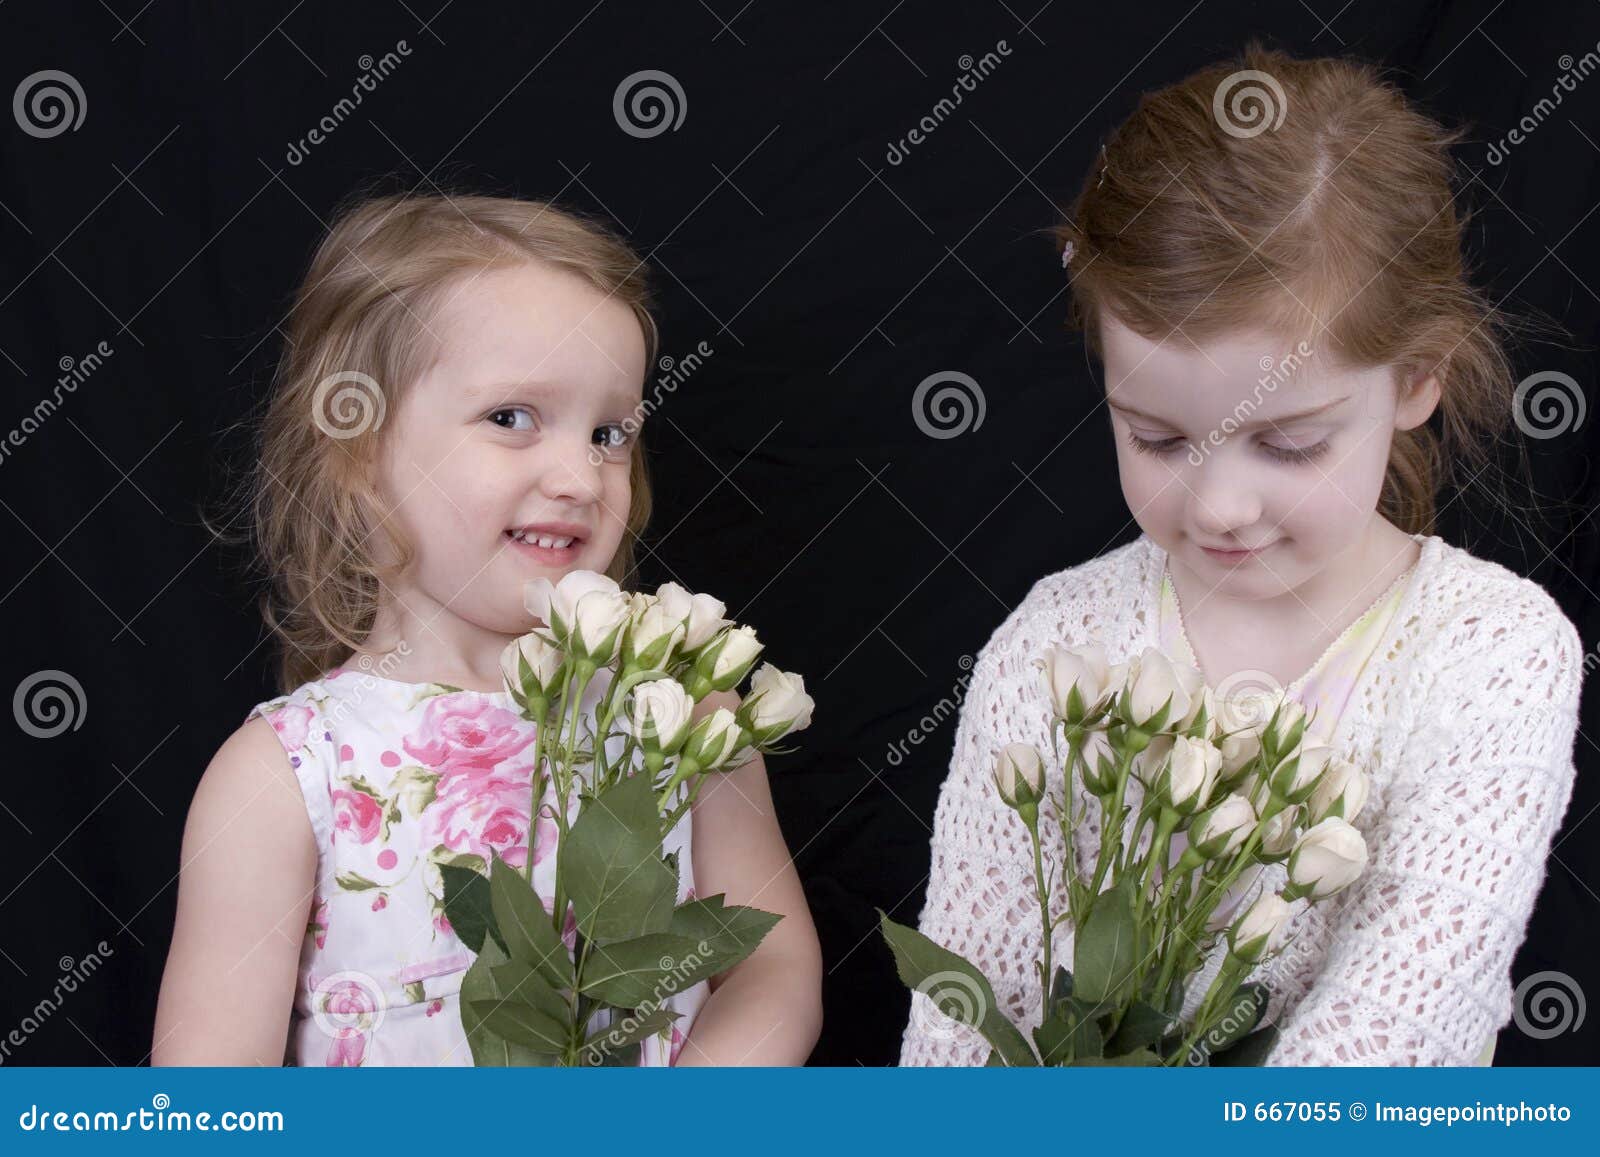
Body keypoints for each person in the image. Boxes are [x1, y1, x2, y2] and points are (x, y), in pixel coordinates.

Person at [900, 42, 1585, 1066]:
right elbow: (966, 1006)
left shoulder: (1493, 651)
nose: (1218, 504)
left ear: (1414, 380)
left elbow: (1398, 1028)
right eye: (1158, 437)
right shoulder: (1059, 642)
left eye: (1289, 442)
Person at [154, 191, 822, 1066]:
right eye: (512, 418)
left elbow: (772, 965)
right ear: (358, 451)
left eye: (609, 432)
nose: (581, 476)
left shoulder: (683, 712)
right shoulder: (286, 775)